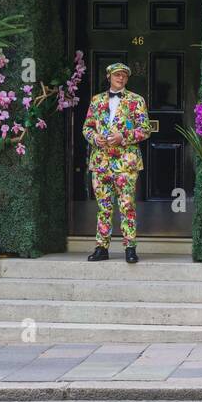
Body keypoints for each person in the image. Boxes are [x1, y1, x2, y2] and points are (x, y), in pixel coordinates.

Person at [82, 61, 150, 263]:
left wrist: (123, 137)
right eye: (117, 75)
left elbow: (145, 130)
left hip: (125, 163)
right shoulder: (96, 100)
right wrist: (95, 138)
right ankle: (101, 248)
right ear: (109, 77)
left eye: (124, 76)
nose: (120, 78)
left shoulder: (136, 100)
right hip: (101, 162)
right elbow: (87, 128)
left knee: (127, 205)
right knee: (103, 207)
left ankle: (130, 247)